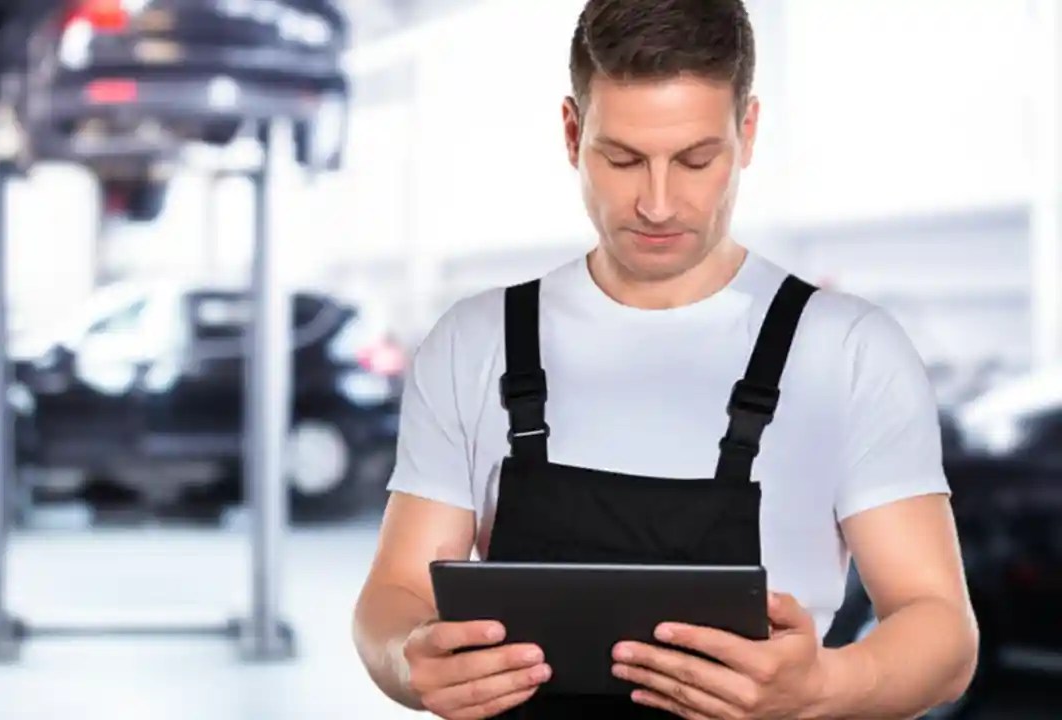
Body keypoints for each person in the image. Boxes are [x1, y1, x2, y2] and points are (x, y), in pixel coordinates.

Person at [351, 0, 980, 717]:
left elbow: (941, 630)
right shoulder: (475, 340)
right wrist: (409, 659)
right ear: (570, 131)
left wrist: (822, 689)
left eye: (694, 159)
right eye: (622, 159)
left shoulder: (848, 349)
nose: (656, 202)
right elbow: (394, 595)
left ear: (746, 133)